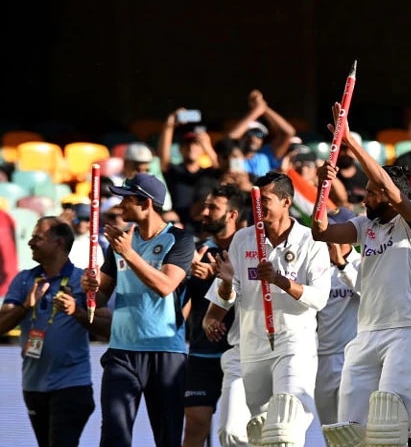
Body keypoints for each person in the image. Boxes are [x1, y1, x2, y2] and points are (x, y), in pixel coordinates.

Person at [312, 102, 411, 447]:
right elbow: (321, 232)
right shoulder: (365, 226)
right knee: (350, 429)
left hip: (406, 331)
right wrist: (322, 188)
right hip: (366, 333)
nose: (364, 199)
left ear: (389, 195)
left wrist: (350, 141)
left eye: (370, 192)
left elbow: (388, 185)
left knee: (389, 423)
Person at [206, 171, 331, 446]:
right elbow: (228, 295)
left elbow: (320, 298)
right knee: (240, 432)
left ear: (286, 202)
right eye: (255, 200)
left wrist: (279, 280)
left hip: (293, 346)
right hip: (250, 347)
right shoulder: (243, 239)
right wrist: (225, 286)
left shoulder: (311, 240)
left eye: (265, 200)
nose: (258, 206)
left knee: (284, 430)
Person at [80, 172, 197, 447]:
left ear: (146, 203)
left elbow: (165, 285)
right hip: (122, 351)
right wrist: (91, 286)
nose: (120, 204)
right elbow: (102, 294)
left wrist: (129, 254)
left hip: (165, 351)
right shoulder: (120, 243)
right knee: (114, 436)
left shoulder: (179, 239)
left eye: (126, 199)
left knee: (168, 438)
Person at [0, 217, 111, 447]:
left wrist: (77, 312)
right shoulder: (24, 280)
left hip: (72, 386)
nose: (30, 242)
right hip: (33, 386)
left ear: (58, 243)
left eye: (37, 238)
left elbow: (110, 328)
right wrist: (25, 307)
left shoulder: (82, 281)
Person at [181, 183, 247, 447]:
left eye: (213, 207)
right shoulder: (198, 252)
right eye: (206, 206)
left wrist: (219, 276)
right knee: (195, 425)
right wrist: (186, 276)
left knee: (238, 430)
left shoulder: (250, 250)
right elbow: (182, 304)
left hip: (243, 352)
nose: (205, 212)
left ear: (232, 215)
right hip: (203, 352)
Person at [315, 235, 362, 426]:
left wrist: (342, 265)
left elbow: (366, 292)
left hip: (352, 356)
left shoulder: (361, 263)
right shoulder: (317, 265)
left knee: (351, 424)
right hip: (322, 357)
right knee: (328, 426)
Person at [159, 111, 221, 237]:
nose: (191, 148)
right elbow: (163, 158)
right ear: (180, 149)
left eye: (196, 144)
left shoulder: (208, 173)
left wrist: (207, 145)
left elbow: (221, 168)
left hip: (204, 227)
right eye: (187, 144)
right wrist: (169, 125)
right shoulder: (175, 171)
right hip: (178, 227)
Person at [227, 89, 298, 177]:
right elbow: (230, 138)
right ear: (242, 135)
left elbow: (288, 132)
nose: (253, 138)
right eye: (249, 133)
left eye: (259, 134)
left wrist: (264, 108)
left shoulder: (265, 155)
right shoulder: (234, 155)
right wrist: (257, 110)